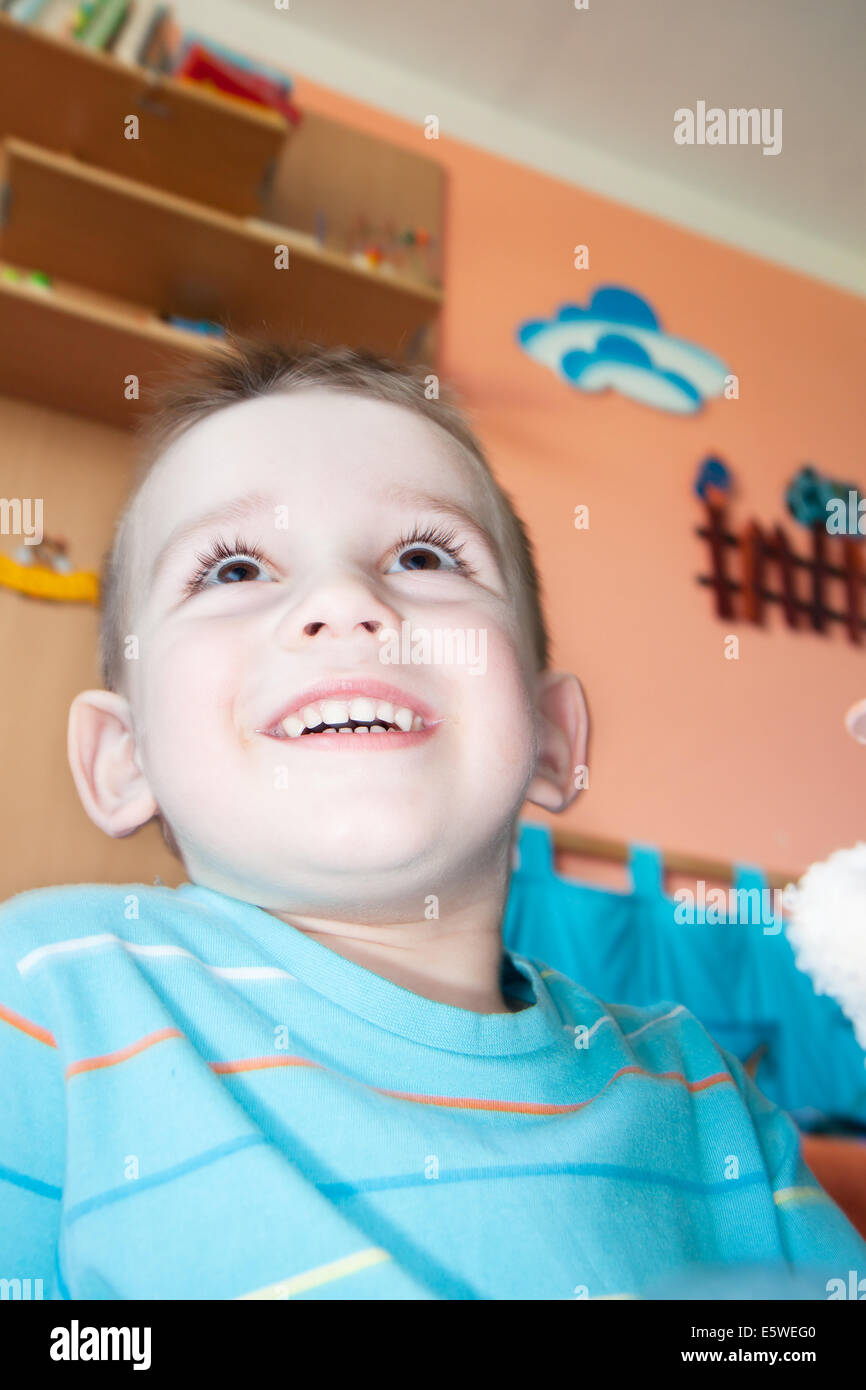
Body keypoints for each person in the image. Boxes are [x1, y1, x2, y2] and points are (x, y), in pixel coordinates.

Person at [1, 340, 863, 1300]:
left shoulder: (701, 1090)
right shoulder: (46, 996)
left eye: (422, 555)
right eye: (235, 568)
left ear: (551, 737)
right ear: (124, 758)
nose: (345, 601)